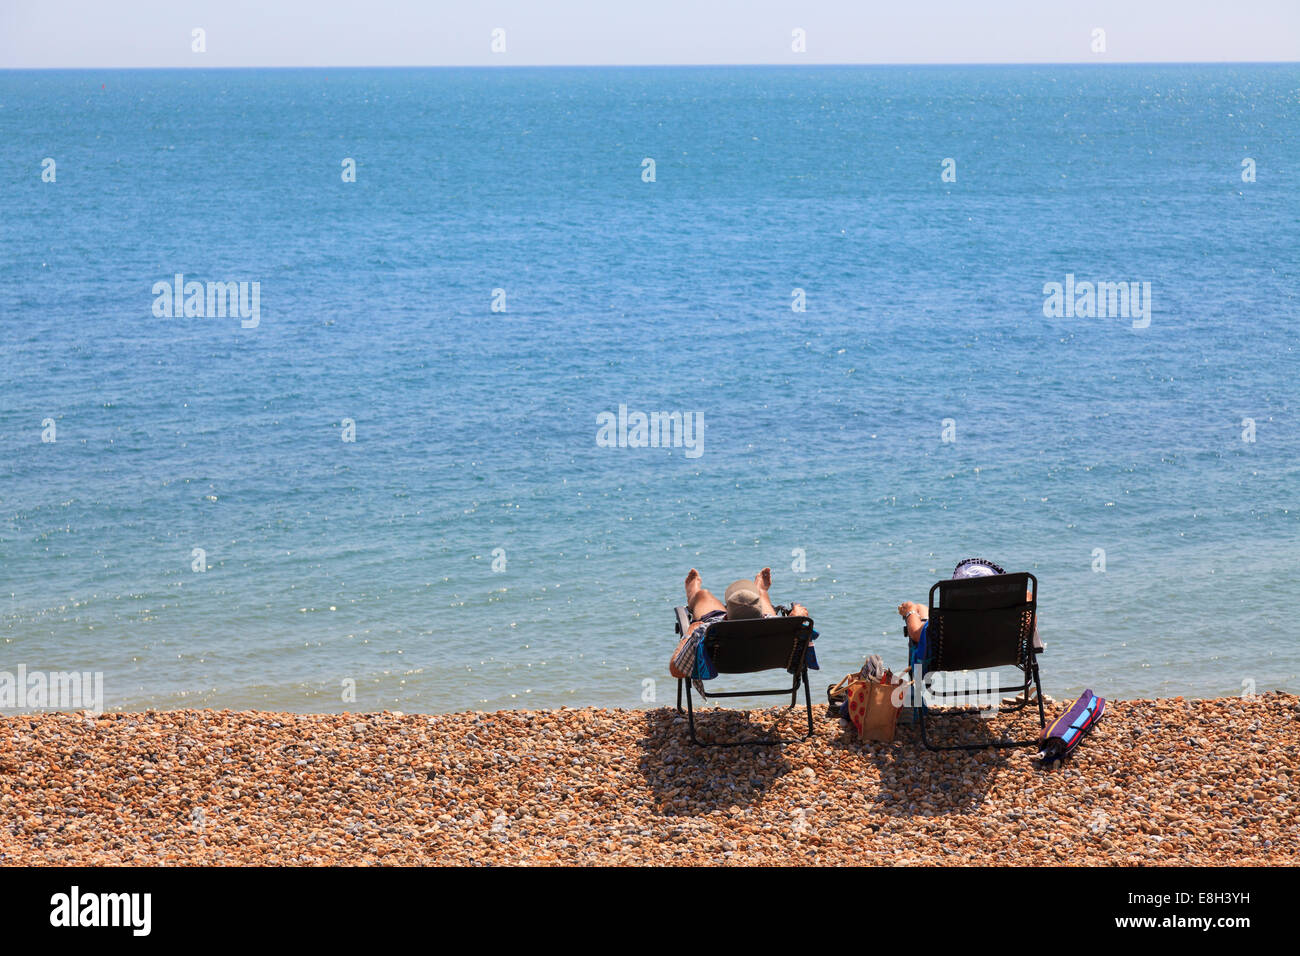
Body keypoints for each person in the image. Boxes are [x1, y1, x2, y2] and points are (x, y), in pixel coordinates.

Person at [683, 567, 808, 638]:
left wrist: (688, 634)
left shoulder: (704, 631)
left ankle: (693, 594)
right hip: (766, 641)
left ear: (725, 616)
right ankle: (760, 592)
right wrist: (797, 620)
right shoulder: (780, 629)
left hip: (721, 644)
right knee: (758, 603)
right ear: (763, 614)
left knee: (703, 595)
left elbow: (676, 669)